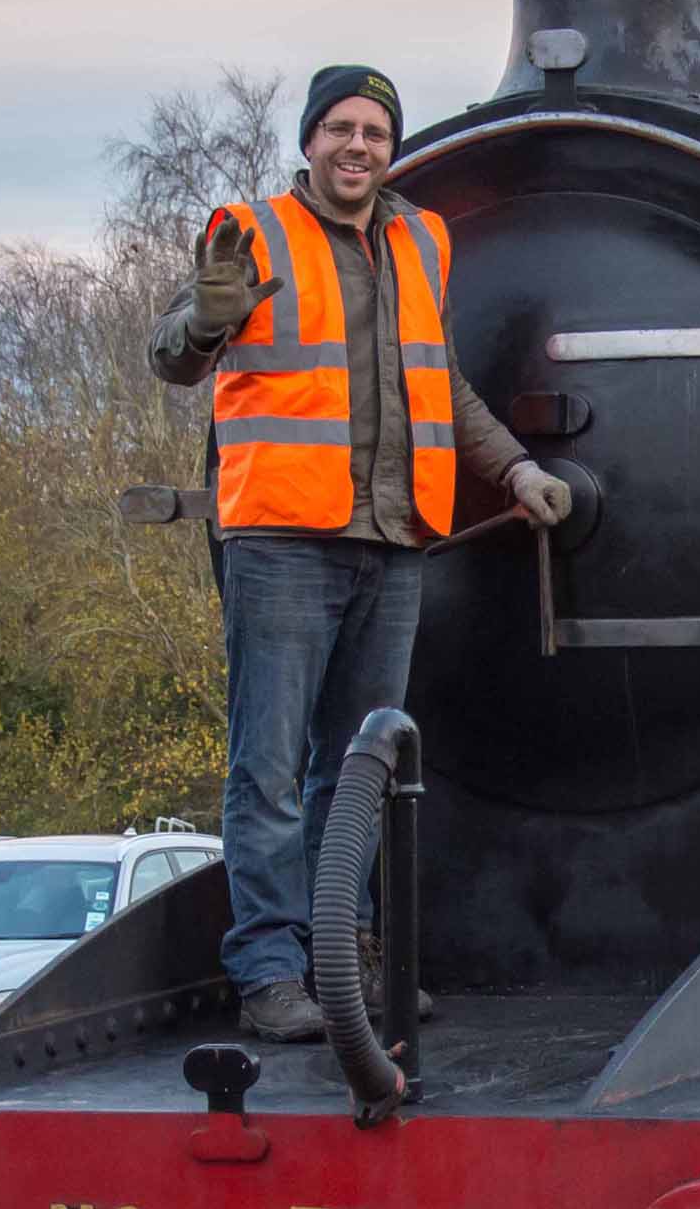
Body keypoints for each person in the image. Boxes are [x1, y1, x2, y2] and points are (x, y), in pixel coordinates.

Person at [154, 64, 569, 1042]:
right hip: (282, 541)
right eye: (340, 128)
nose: (357, 146)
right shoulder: (250, 234)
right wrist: (207, 318)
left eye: (375, 132)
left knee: (361, 770)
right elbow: (172, 355)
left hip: (392, 541)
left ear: (391, 148)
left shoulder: (422, 240)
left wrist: (514, 468)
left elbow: (440, 382)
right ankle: (269, 972)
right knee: (267, 769)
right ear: (309, 141)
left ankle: (349, 959)